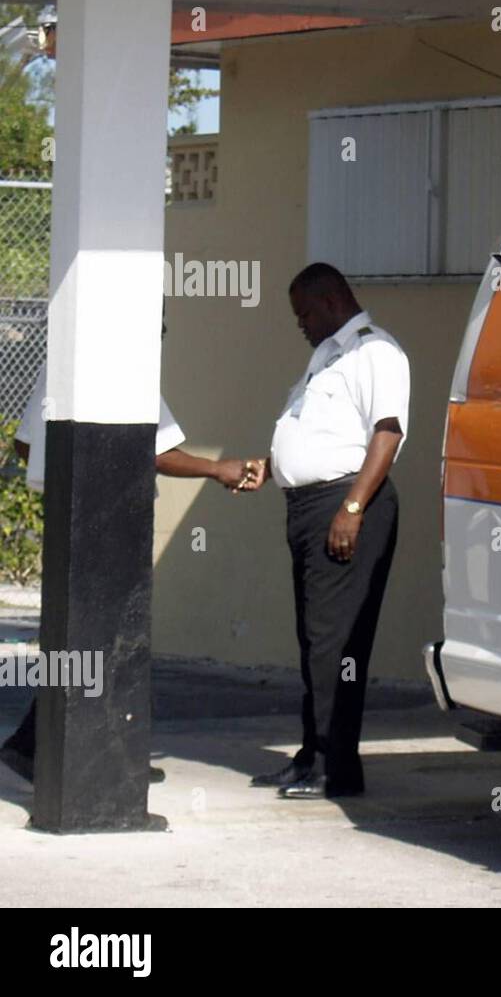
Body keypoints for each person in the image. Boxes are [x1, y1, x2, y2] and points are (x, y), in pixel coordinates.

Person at [0, 360, 264, 784]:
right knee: (107, 641)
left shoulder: (61, 363)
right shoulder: (124, 362)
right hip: (112, 520)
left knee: (79, 639)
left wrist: (61, 481)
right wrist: (218, 468)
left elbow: (25, 446)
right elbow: (156, 450)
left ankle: (42, 745)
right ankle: (54, 749)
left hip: (70, 515)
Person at [249, 262, 408, 800]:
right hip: (312, 508)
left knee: (335, 645)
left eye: (304, 313)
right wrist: (271, 466)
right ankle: (313, 754)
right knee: (316, 641)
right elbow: (317, 434)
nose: (300, 324)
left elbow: (387, 433)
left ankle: (336, 767)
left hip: (345, 506)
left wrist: (353, 507)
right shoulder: (327, 356)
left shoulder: (375, 351)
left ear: (332, 299)